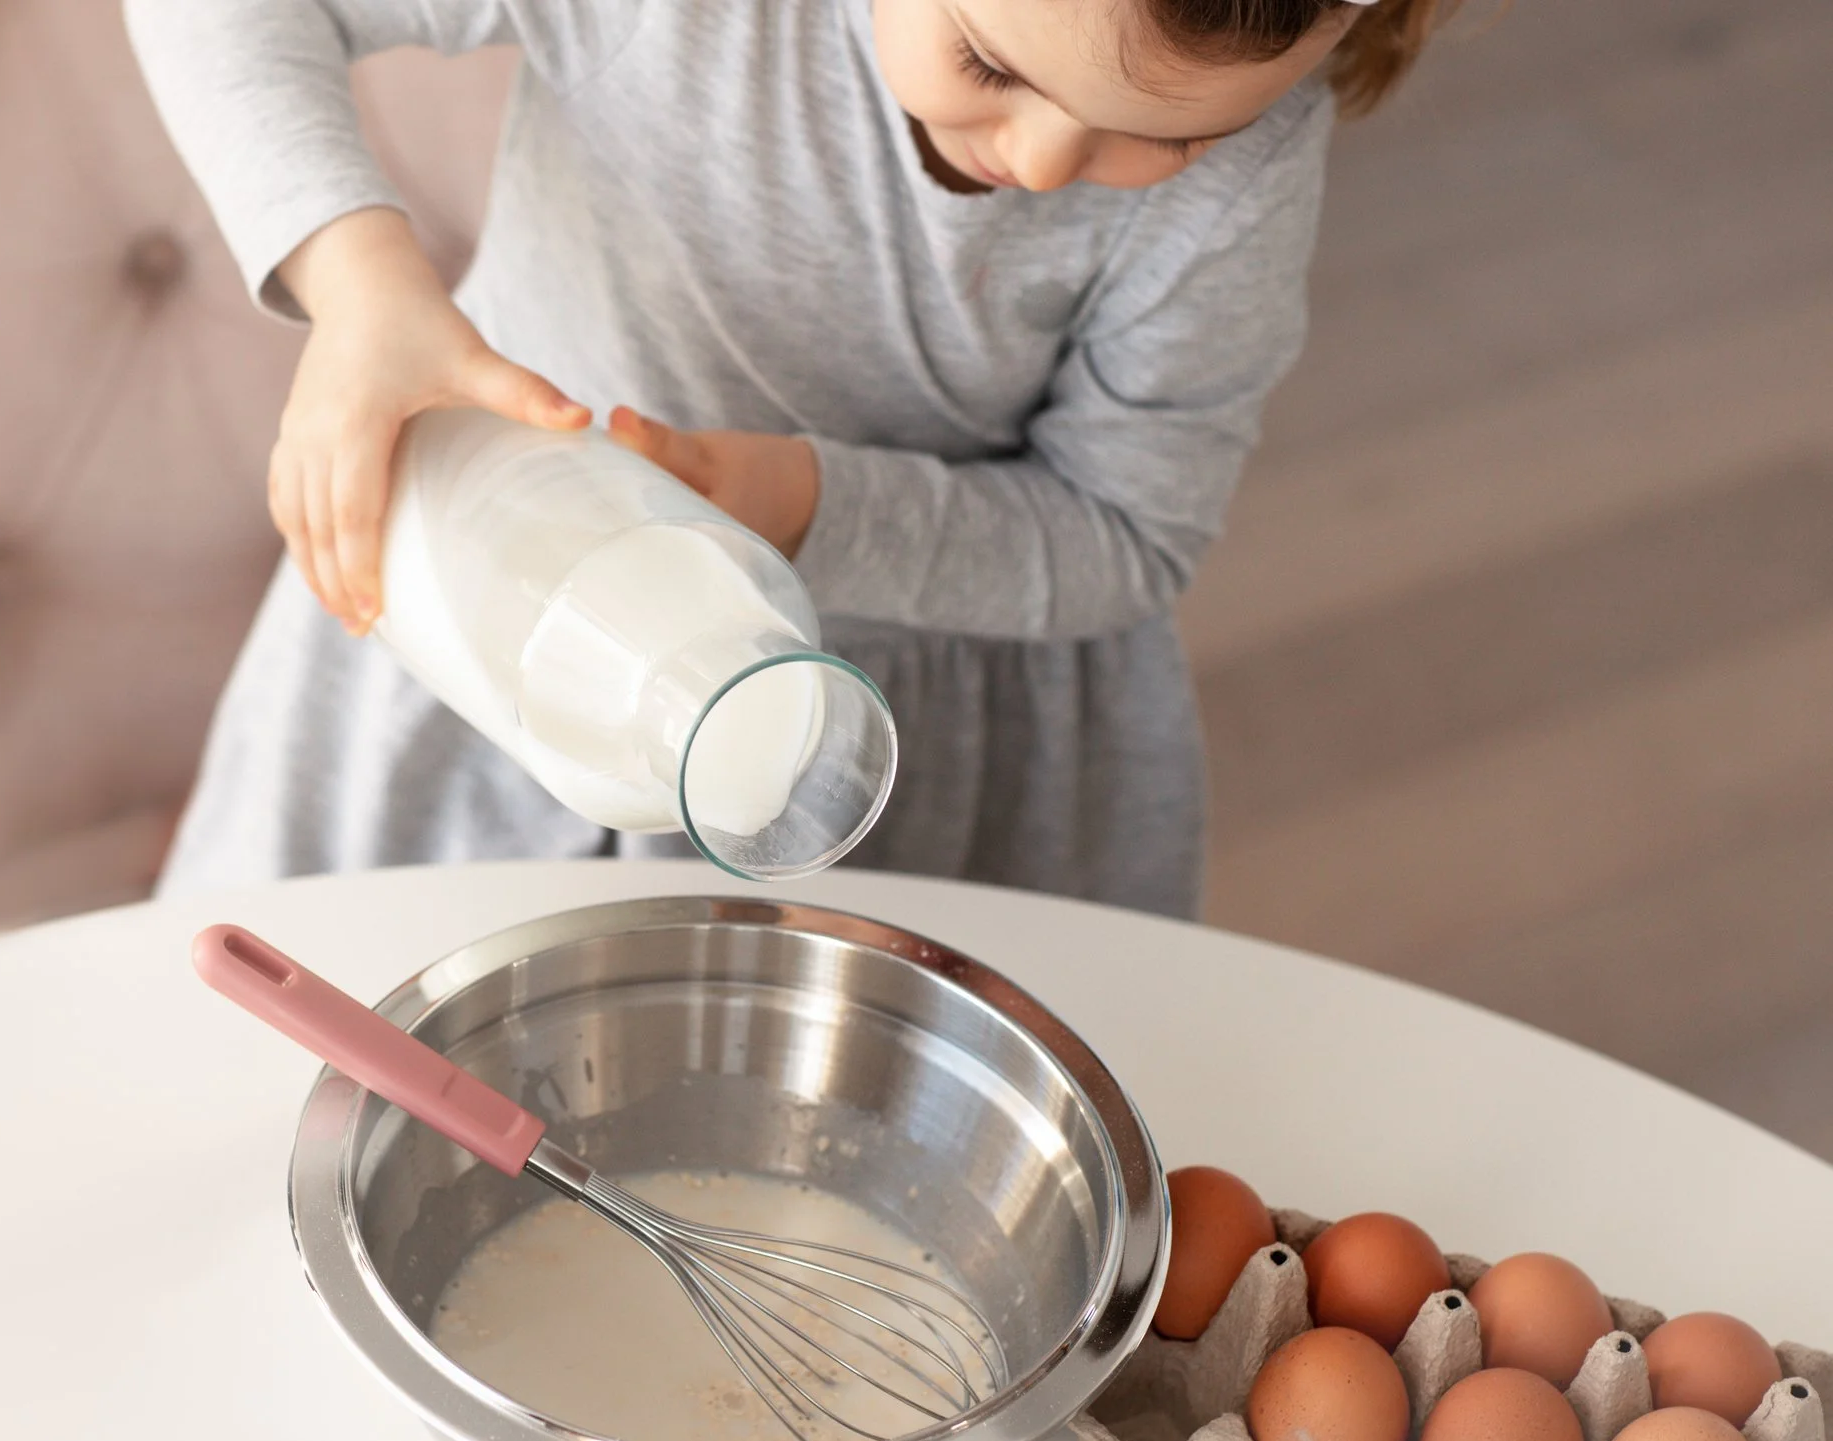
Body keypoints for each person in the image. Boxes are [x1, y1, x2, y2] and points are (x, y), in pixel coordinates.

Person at [128, 0, 1456, 915]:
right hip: (485, 625)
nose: (1048, 162)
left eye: (1169, 137)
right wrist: (361, 285)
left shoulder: (1256, 175)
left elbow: (1126, 532)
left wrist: (805, 507)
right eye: (992, 64)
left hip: (896, 757)